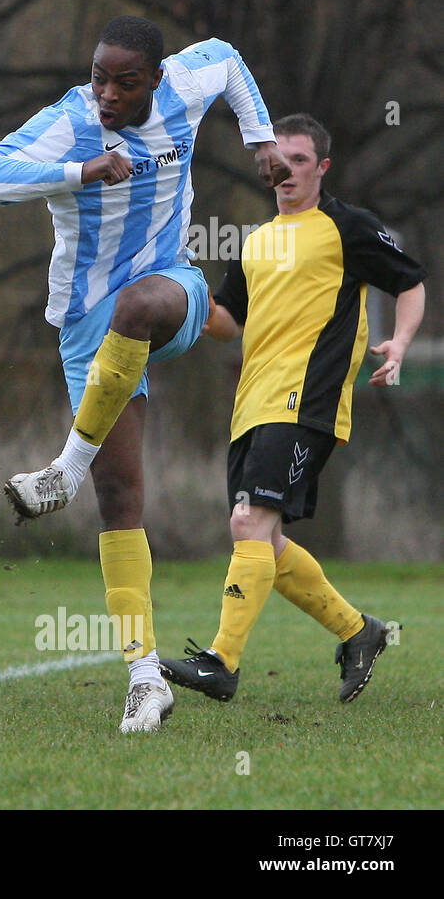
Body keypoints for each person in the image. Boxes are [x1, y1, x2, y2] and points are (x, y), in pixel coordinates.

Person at [0, 16, 291, 733]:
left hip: (170, 288)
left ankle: (62, 470)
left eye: (125, 82)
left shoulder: (186, 85)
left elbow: (230, 56)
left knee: (140, 303)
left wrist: (259, 136)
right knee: (121, 495)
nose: (107, 93)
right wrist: (77, 172)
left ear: (158, 79)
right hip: (86, 324)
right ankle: (145, 678)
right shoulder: (72, 122)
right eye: (99, 77)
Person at [160, 113, 426, 703]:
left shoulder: (346, 228)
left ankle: (220, 663)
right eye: (277, 161)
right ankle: (360, 631)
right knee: (265, 543)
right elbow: (229, 324)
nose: (285, 170)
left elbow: (409, 283)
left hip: (307, 400)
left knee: (249, 524)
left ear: (321, 167)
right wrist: (183, 297)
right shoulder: (255, 241)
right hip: (252, 403)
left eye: (299, 160)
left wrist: (400, 343)